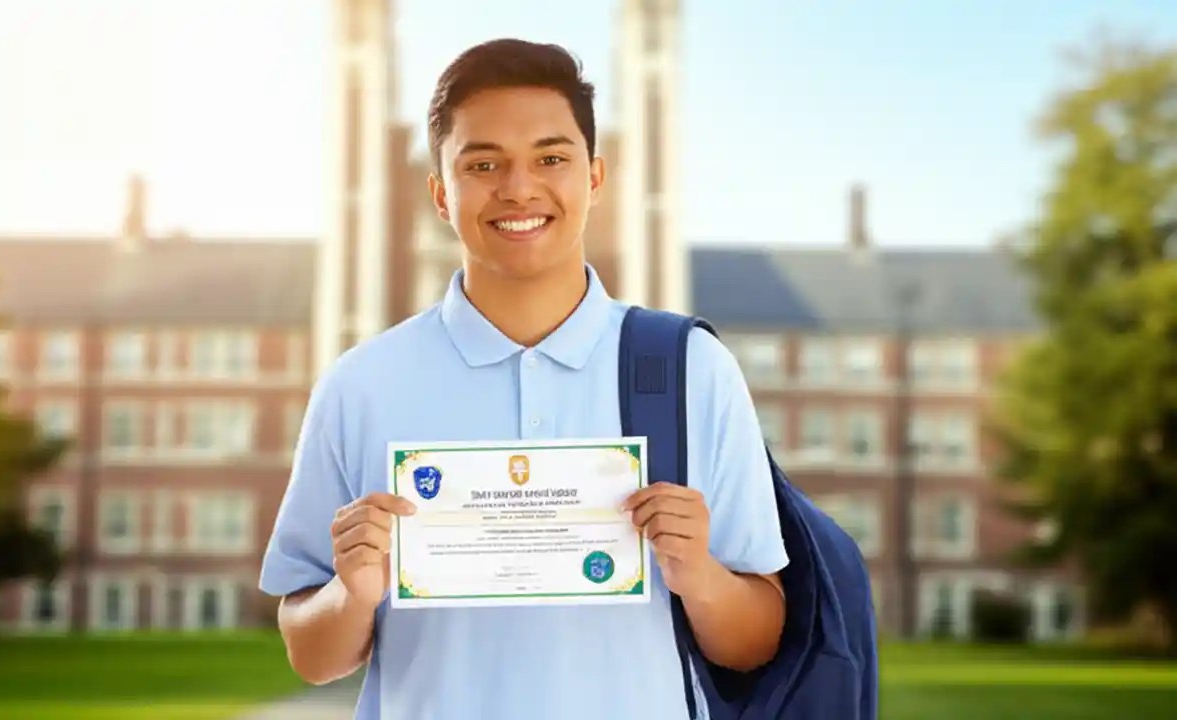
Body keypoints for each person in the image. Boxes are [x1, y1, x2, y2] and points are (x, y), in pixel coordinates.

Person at [259, 38, 788, 720]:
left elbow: (756, 642)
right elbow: (310, 652)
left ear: (595, 178)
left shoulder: (691, 370)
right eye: (483, 164)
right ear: (440, 194)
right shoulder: (361, 385)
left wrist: (704, 579)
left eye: (550, 158)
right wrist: (352, 593)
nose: (518, 187)